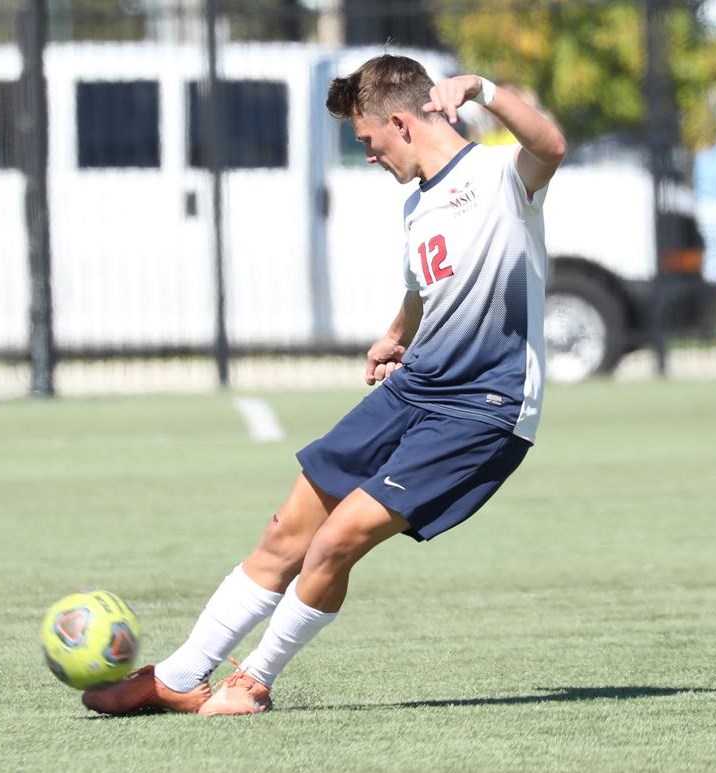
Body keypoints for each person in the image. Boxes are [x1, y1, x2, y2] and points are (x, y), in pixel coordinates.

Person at [81, 53, 567, 717]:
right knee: (287, 529)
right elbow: (424, 287)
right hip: (416, 387)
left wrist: (482, 88)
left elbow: (551, 143)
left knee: (336, 539)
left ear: (400, 121)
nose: (367, 156)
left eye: (366, 140)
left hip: (482, 408)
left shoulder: (501, 176)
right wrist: (397, 331)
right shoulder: (417, 206)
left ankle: (252, 681)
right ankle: (179, 675)